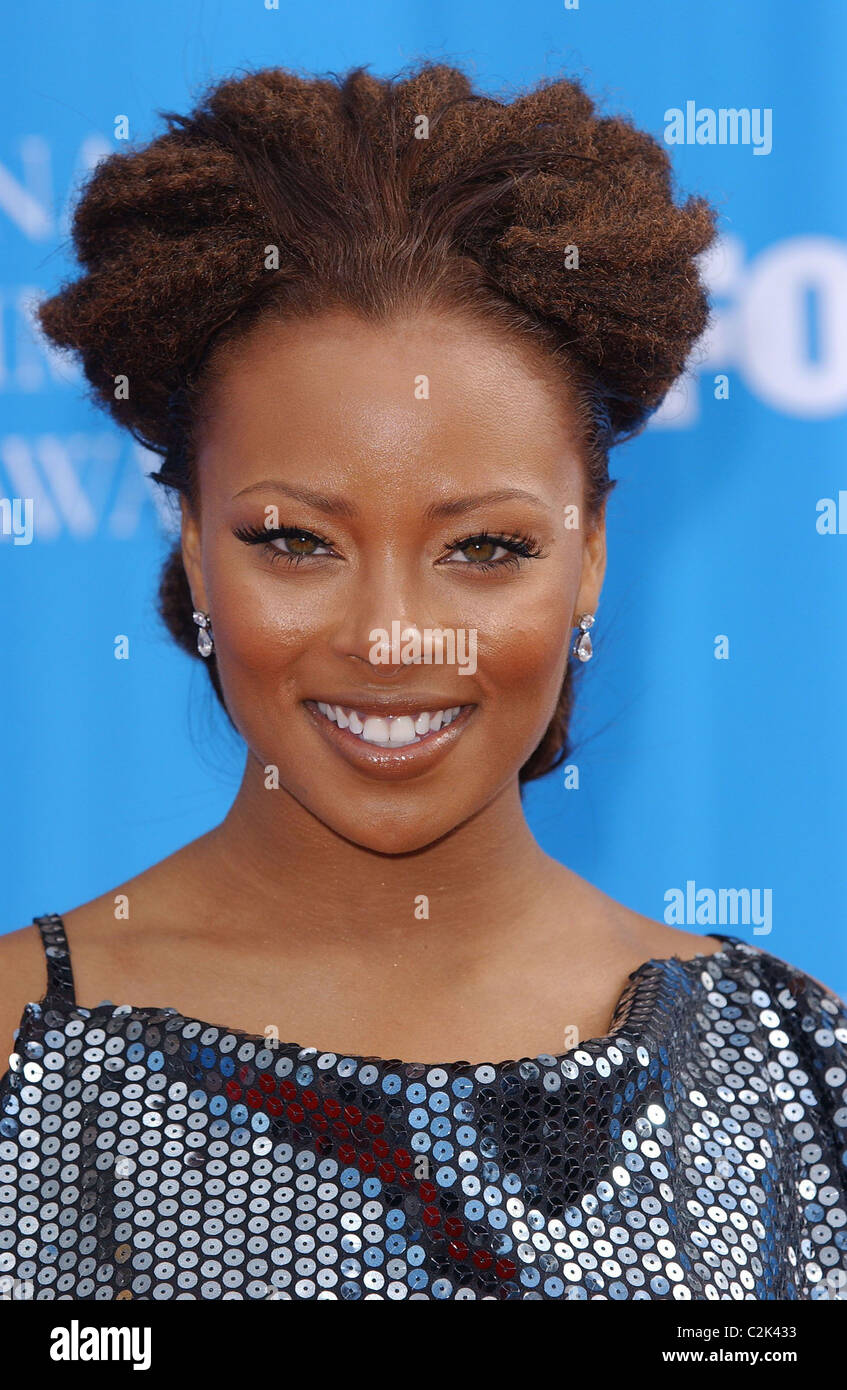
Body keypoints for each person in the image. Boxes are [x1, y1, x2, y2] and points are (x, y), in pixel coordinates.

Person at [1, 61, 844, 1302]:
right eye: (294, 539)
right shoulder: (22, 1050)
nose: (393, 636)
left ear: (591, 556)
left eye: (485, 548)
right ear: (189, 540)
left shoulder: (792, 1074)